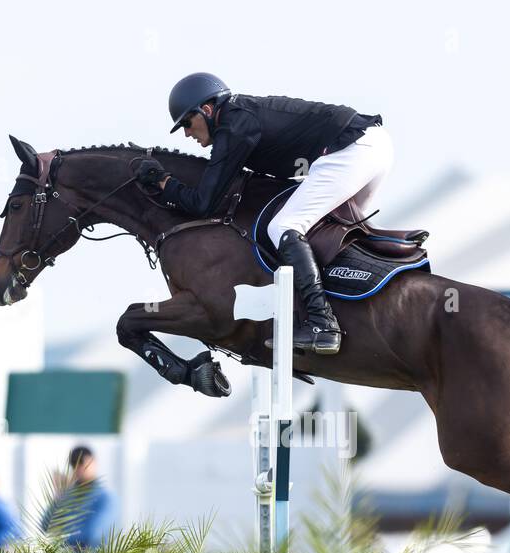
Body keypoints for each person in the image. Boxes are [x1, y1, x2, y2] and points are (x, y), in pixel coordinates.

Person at [139, 72, 391, 357]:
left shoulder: (234, 126)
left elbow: (202, 204)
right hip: (369, 145)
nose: (187, 133)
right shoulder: (239, 118)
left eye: (187, 123)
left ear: (207, 110)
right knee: (329, 231)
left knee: (284, 226)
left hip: (351, 150)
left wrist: (165, 184)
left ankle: (323, 324)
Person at [41, 446, 119, 550]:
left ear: (93, 462)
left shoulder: (105, 498)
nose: (79, 468)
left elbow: (92, 534)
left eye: (81, 462)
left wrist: (61, 535)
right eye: (74, 463)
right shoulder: (68, 496)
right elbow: (46, 525)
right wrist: (58, 496)